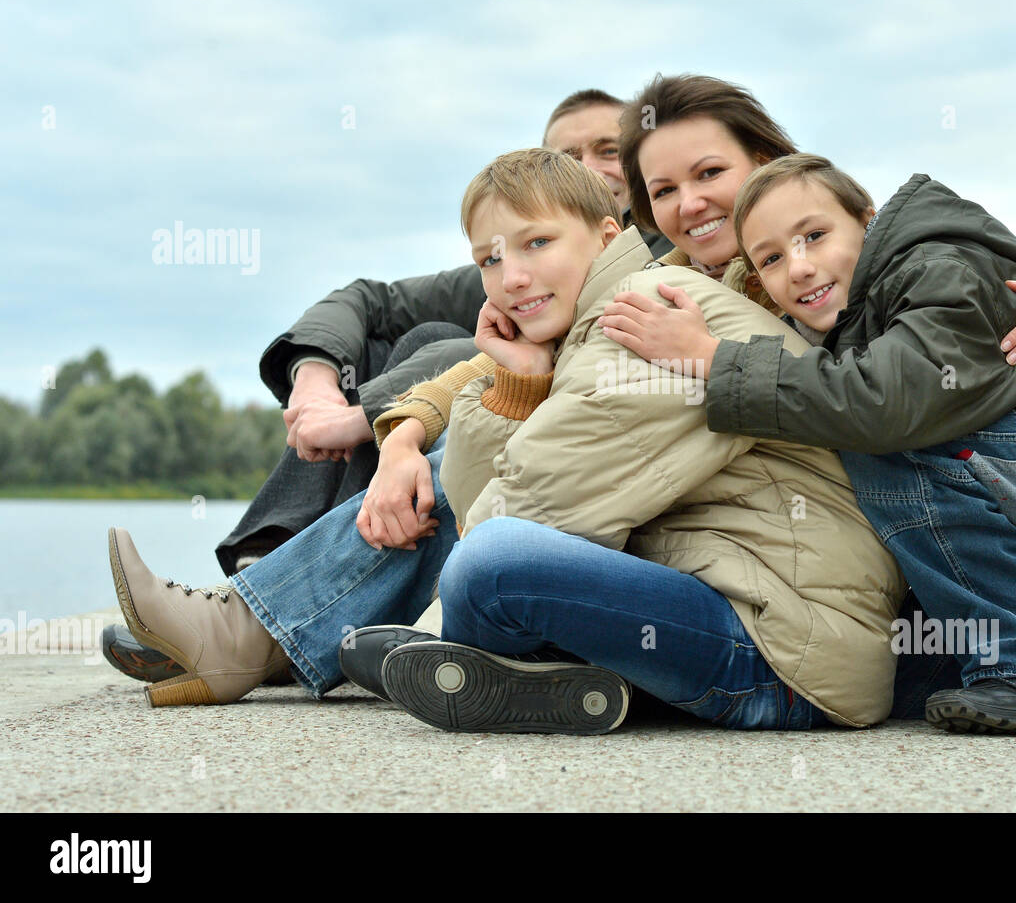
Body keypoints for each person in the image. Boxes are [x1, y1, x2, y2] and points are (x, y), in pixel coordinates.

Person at [108, 148, 909, 731]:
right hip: (728, 605)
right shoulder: (588, 320)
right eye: (490, 258)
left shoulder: (649, 310)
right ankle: (272, 633)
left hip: (786, 650)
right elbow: (493, 488)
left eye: (535, 244)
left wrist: (425, 629)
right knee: (480, 546)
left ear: (605, 234)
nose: (511, 276)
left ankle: (267, 634)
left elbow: (537, 502)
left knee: (493, 564)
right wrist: (516, 385)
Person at [596, 95, 1016, 731]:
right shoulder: (671, 294)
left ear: (765, 158)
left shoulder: (892, 257)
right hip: (952, 523)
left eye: (709, 172)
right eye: (662, 190)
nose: (690, 201)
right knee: (925, 664)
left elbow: (909, 383)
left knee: (886, 443)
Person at [102, 88, 674, 679]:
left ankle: (273, 624)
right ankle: (276, 590)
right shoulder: (522, 267)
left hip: (597, 538)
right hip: (535, 507)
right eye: (564, 153)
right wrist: (322, 385)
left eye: (606, 149)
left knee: (446, 349)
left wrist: (370, 415)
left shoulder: (660, 277)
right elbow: (367, 299)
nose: (584, 167)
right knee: (415, 339)